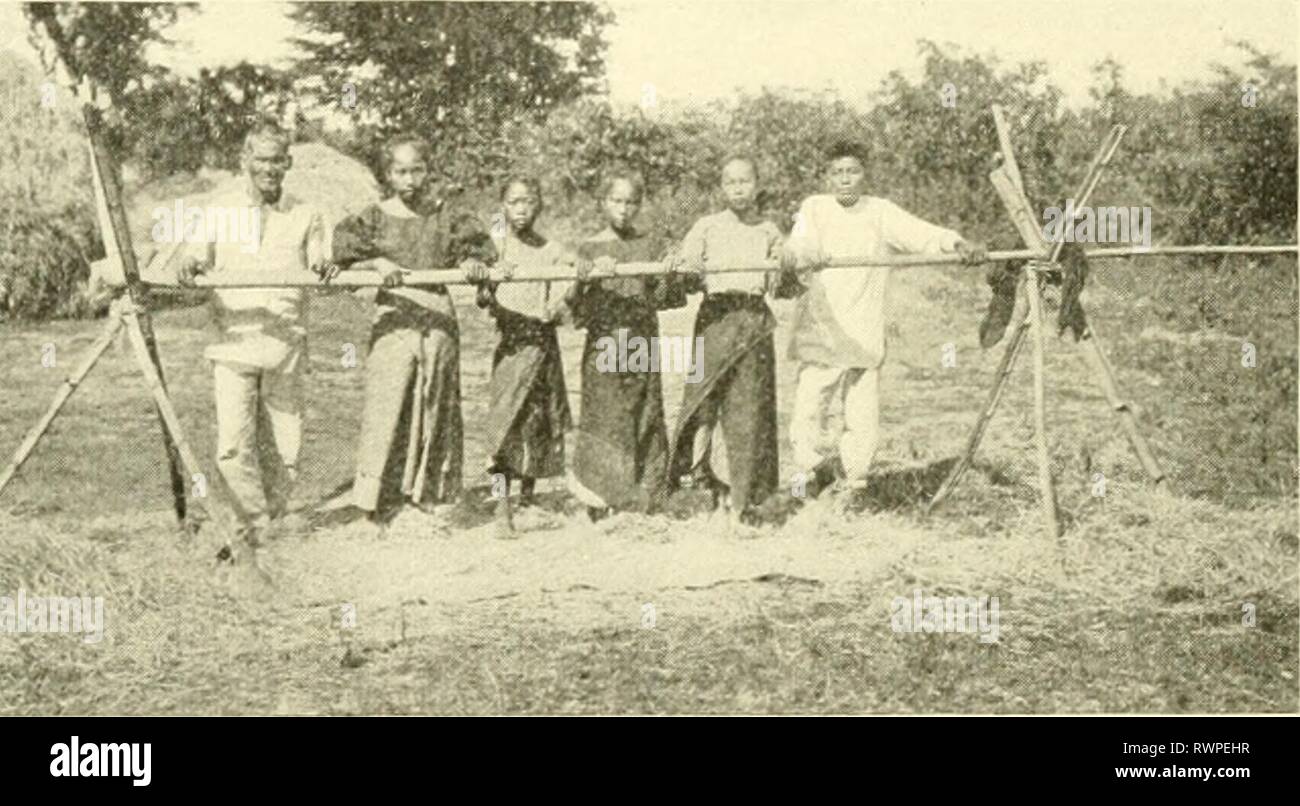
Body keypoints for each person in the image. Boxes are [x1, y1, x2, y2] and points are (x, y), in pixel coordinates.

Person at [781, 140, 986, 509]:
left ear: (864, 174)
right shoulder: (815, 208)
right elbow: (798, 245)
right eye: (837, 172)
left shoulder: (880, 212)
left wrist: (956, 243)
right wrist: (803, 253)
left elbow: (919, 233)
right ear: (826, 177)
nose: (845, 179)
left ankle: (854, 481)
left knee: (862, 409)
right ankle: (812, 471)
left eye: (853, 171)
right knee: (810, 402)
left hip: (863, 326)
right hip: (823, 323)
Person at [328, 134, 493, 531]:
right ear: (388, 174)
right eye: (401, 171)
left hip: (437, 315)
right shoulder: (371, 218)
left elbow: (480, 251)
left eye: (417, 170)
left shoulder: (447, 216)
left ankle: (430, 496)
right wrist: (376, 262)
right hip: (394, 315)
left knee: (435, 402)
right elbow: (342, 257)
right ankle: (376, 502)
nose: (410, 180)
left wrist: (472, 263)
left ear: (428, 171)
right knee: (388, 404)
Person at [176, 121, 329, 550]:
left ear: (288, 162)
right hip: (233, 341)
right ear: (245, 161)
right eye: (259, 159)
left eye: (276, 159)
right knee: (232, 443)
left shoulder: (307, 213)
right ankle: (252, 523)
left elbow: (320, 261)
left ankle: (272, 517)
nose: (268, 168)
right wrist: (189, 266)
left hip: (285, 341)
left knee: (287, 446)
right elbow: (192, 255)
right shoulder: (219, 209)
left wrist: (324, 268)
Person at [667, 156, 793, 529]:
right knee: (704, 405)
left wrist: (791, 263)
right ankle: (702, 487)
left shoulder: (769, 230)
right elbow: (687, 274)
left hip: (753, 323)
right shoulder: (706, 227)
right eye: (731, 182)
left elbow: (785, 284)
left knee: (749, 411)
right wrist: (682, 267)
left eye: (745, 181)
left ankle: (745, 499)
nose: (738, 188)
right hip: (716, 320)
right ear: (722, 188)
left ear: (756, 184)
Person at [568, 173, 685, 521]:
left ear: (639, 204)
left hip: (642, 339)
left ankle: (644, 498)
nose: (623, 209)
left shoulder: (651, 244)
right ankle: (600, 500)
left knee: (645, 412)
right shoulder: (589, 247)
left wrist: (668, 271)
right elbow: (576, 307)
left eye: (631, 202)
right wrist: (588, 278)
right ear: (603, 203)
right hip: (605, 343)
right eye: (616, 201)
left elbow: (667, 298)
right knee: (605, 416)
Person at [477, 176, 578, 536]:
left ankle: (528, 499)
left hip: (543, 342)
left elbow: (570, 277)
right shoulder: (498, 246)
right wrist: (491, 279)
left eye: (529, 202)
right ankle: (501, 509)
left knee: (539, 423)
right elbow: (483, 296)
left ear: (540, 205)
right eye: (514, 201)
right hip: (513, 345)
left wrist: (559, 297)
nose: (521, 209)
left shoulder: (551, 248)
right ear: (503, 205)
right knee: (504, 425)